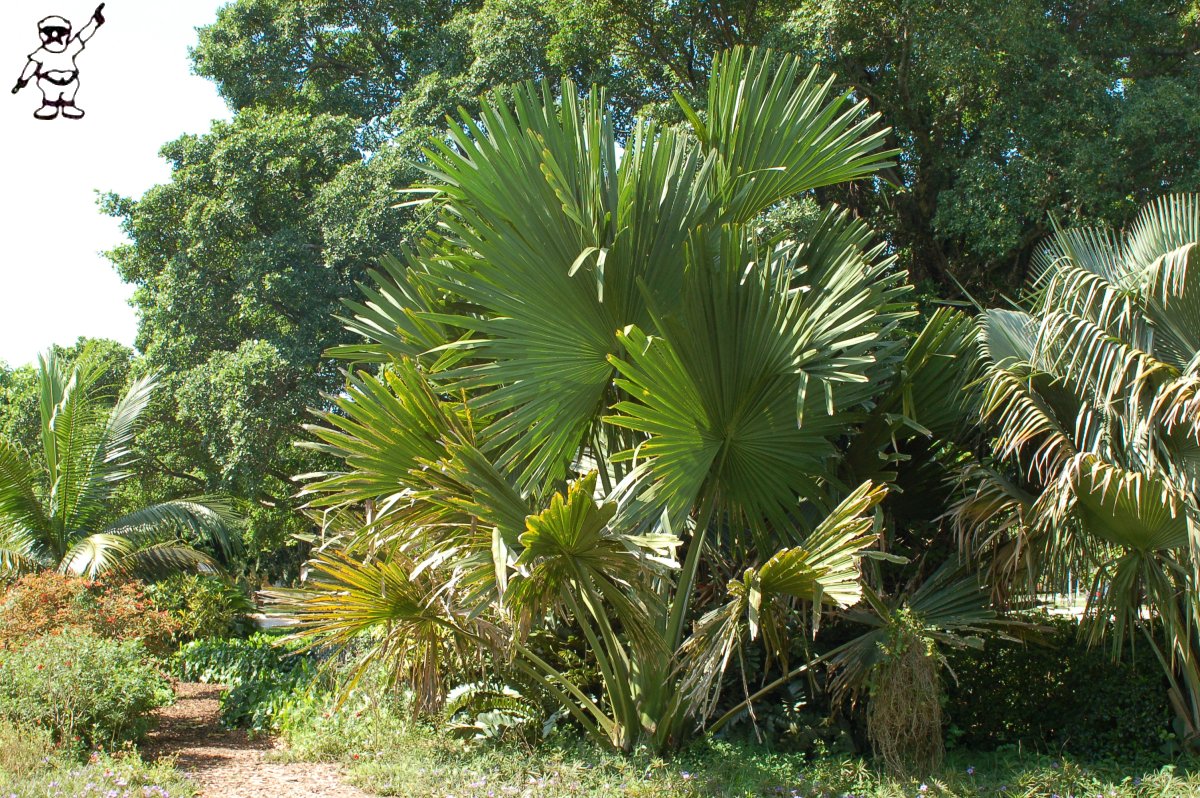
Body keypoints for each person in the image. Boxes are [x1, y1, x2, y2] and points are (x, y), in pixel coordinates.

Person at [11, 4, 106, 120]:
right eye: (49, 31)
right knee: (51, 97)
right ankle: (49, 105)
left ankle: (69, 105)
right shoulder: (41, 53)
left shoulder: (71, 48)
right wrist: (22, 82)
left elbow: (83, 36)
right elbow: (31, 67)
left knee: (69, 96)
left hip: (70, 83)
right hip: (49, 83)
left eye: (60, 31)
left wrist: (95, 21)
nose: (55, 35)